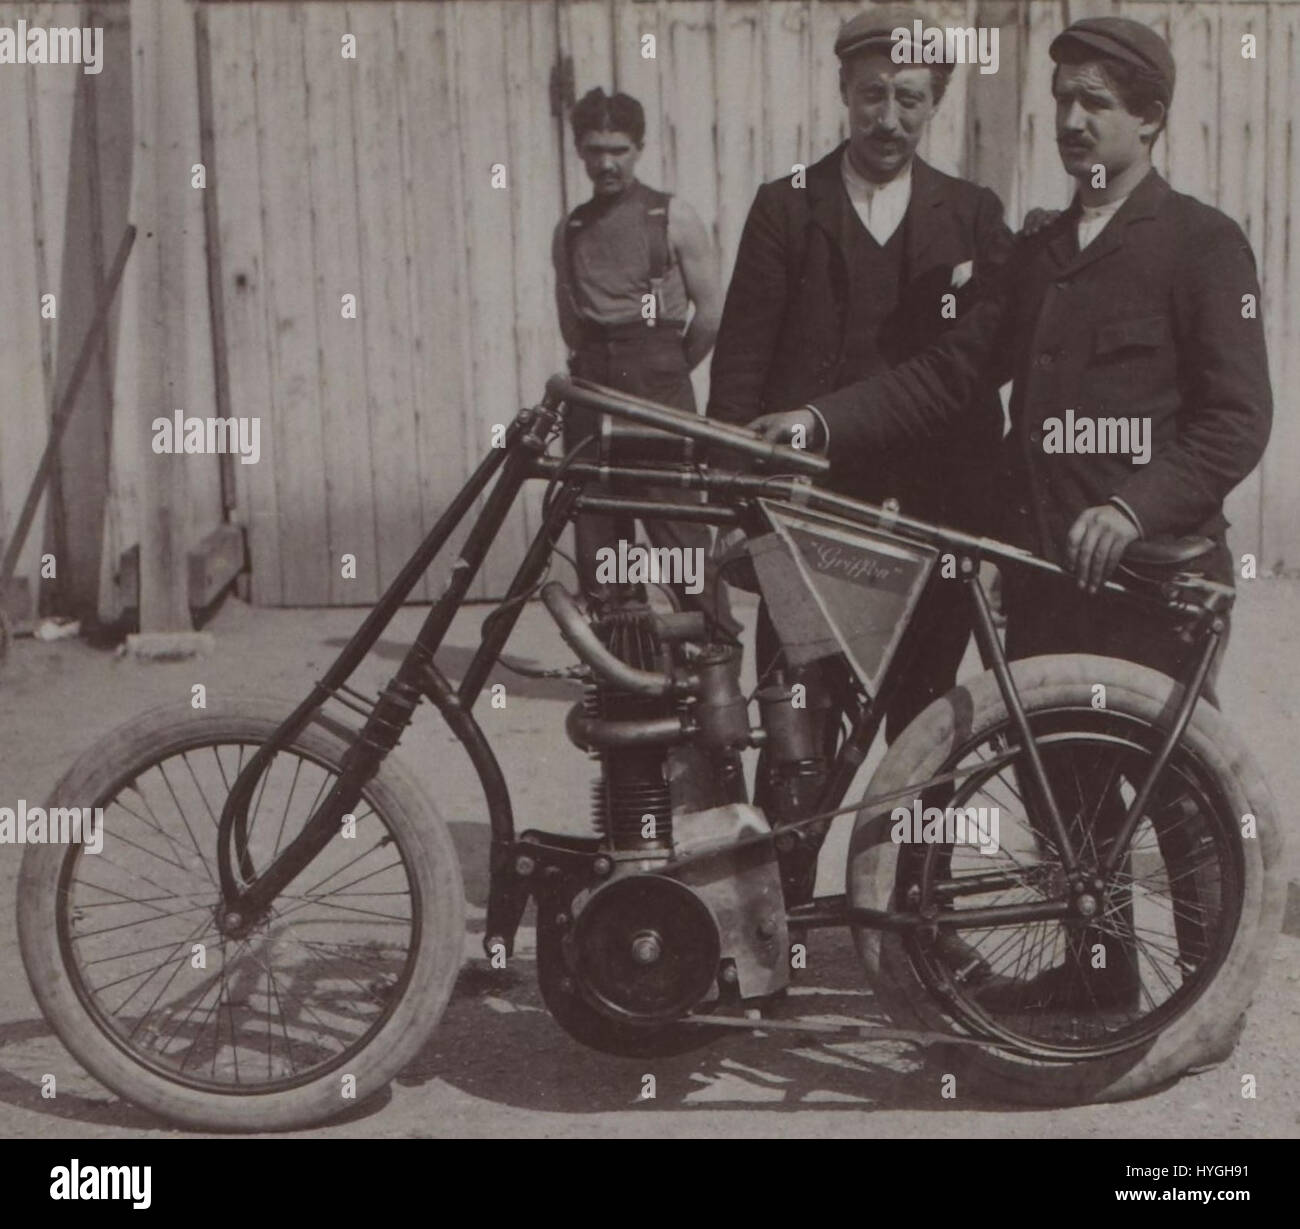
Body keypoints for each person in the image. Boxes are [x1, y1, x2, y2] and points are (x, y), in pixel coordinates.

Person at [750, 17, 1273, 1014]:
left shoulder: (1202, 245)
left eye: (1097, 105)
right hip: (1039, 575)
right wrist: (817, 420)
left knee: (1177, 791)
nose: (1072, 121)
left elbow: (1235, 417)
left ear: (1149, 119)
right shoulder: (1036, 251)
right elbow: (950, 375)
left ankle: (1203, 1000)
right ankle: (1100, 968)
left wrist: (1131, 501)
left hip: (1154, 578)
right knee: (1063, 788)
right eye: (1063, 100)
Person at [708, 5, 1013, 747]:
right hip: (809, 517)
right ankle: (788, 864)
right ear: (843, 89)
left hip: (932, 521)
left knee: (924, 733)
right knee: (794, 735)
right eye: (871, 94)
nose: (888, 118)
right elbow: (741, 365)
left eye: (909, 99)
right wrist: (733, 503)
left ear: (934, 103)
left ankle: (913, 867)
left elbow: (975, 372)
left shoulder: (973, 213)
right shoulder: (785, 205)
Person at [553, 87, 738, 636]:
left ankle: (714, 657)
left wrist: (667, 368)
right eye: (593, 150)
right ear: (579, 152)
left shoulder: (672, 215)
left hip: (658, 382)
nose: (606, 163)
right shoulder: (572, 229)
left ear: (639, 148)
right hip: (591, 385)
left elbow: (710, 312)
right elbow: (569, 319)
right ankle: (621, 669)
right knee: (600, 536)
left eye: (618, 149)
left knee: (679, 531)